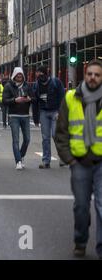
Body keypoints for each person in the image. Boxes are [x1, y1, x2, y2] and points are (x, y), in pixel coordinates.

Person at [55, 59, 102, 260]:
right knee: (81, 207)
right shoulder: (70, 98)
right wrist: (70, 160)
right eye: (90, 73)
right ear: (85, 74)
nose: (93, 77)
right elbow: (61, 132)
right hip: (79, 163)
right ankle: (80, 241)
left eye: (97, 74)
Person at [32, 65, 65, 169]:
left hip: (55, 111)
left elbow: (62, 98)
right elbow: (35, 102)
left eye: (40, 74)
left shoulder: (56, 82)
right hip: (43, 112)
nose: (39, 76)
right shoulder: (36, 85)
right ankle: (46, 161)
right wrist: (36, 119)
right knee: (45, 138)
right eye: (37, 74)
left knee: (56, 135)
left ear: (45, 74)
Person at [3, 67, 35, 170]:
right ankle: (18, 161)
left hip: (25, 116)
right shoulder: (8, 86)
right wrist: (15, 100)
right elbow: (4, 100)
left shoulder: (27, 86)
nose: (19, 77)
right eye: (17, 75)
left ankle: (20, 156)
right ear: (14, 76)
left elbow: (34, 98)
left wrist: (29, 99)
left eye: (21, 75)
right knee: (15, 140)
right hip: (14, 116)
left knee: (27, 139)